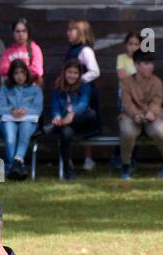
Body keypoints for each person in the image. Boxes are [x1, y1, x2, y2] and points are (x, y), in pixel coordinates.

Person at [118, 49, 163, 180]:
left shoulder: (157, 81)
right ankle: (125, 165)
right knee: (127, 132)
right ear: (136, 65)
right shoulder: (125, 82)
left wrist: (152, 112)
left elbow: (157, 100)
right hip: (131, 116)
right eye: (146, 64)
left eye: (151, 63)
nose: (150, 67)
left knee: (159, 131)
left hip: (152, 115)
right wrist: (135, 114)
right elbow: (126, 103)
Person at [47, 59, 97, 181]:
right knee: (66, 133)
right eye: (70, 72)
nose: (72, 75)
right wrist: (57, 117)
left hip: (80, 122)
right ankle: (68, 168)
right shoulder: (58, 88)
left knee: (91, 114)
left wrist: (72, 114)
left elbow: (83, 103)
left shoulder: (85, 86)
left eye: (75, 73)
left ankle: (57, 126)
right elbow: (55, 108)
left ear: (79, 75)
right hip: (66, 126)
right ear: (65, 72)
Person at [62, 19, 100, 171]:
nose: (68, 33)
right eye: (68, 30)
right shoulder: (71, 49)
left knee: (86, 126)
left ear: (81, 33)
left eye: (72, 30)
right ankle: (68, 158)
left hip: (85, 94)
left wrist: (79, 81)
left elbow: (95, 71)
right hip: (71, 94)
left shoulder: (85, 51)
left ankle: (88, 158)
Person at [0, 59, 41, 180]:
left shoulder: (34, 88)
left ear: (27, 73)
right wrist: (11, 110)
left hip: (28, 120)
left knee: (24, 131)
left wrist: (25, 110)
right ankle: (17, 167)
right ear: (11, 75)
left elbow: (38, 108)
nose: (19, 76)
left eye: (22, 72)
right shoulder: (5, 88)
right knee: (10, 137)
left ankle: (14, 166)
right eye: (16, 73)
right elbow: (0, 108)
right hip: (9, 119)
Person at [0, 17, 42, 83]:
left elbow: (37, 70)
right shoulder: (8, 52)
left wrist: (18, 73)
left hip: (30, 86)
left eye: (24, 31)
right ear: (13, 33)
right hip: (13, 87)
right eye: (18, 31)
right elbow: (2, 69)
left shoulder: (34, 49)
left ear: (28, 33)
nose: (21, 34)